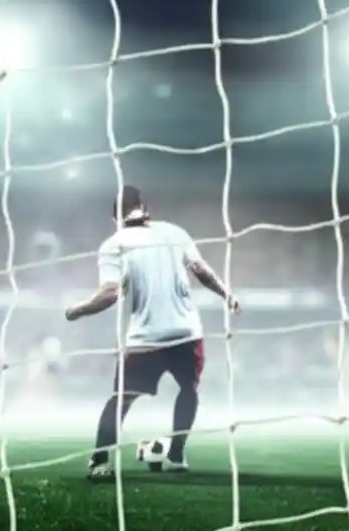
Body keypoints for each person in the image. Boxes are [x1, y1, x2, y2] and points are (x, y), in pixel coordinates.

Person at [65, 185, 239, 479]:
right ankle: (176, 454)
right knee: (189, 390)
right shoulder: (175, 232)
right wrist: (227, 295)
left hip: (146, 339)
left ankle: (99, 461)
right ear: (145, 208)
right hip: (187, 333)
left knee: (121, 398)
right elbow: (201, 270)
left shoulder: (114, 244)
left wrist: (78, 310)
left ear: (115, 217)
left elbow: (110, 293)